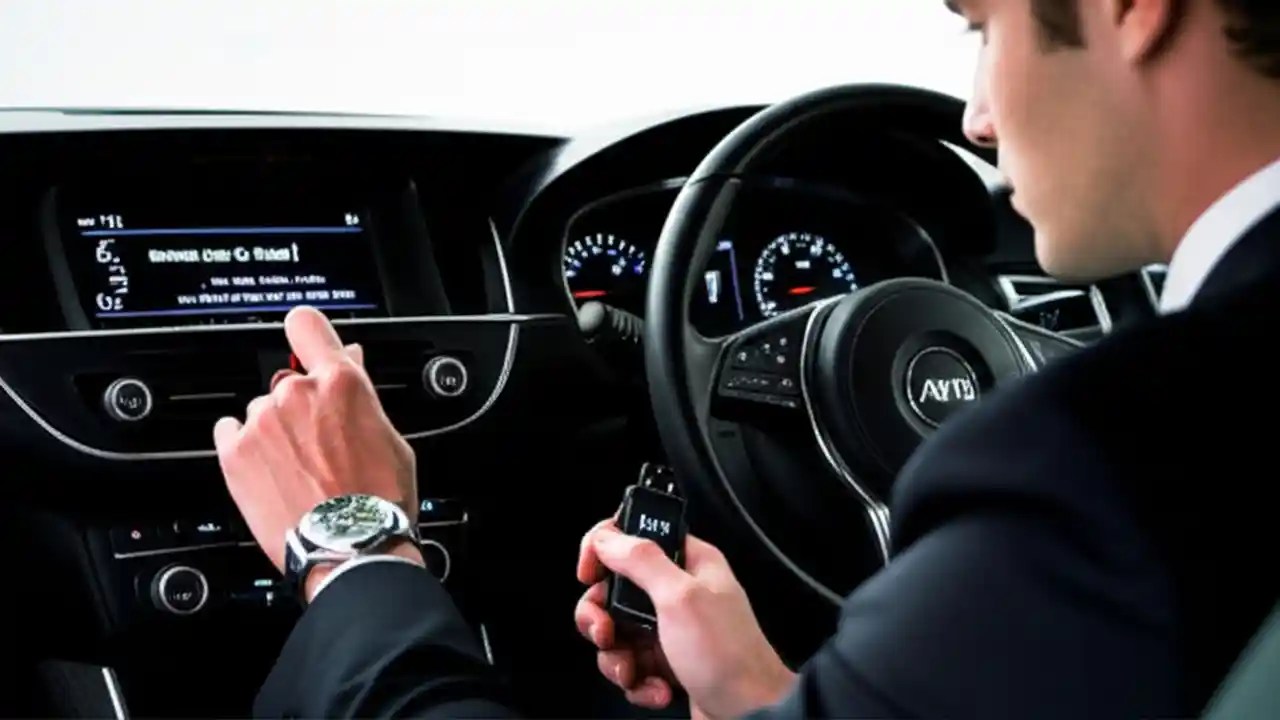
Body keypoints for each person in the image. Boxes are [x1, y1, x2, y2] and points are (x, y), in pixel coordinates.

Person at [217, 0, 1280, 717]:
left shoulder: (1087, 457)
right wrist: (785, 696)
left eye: (981, 24)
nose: (977, 116)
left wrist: (352, 551)